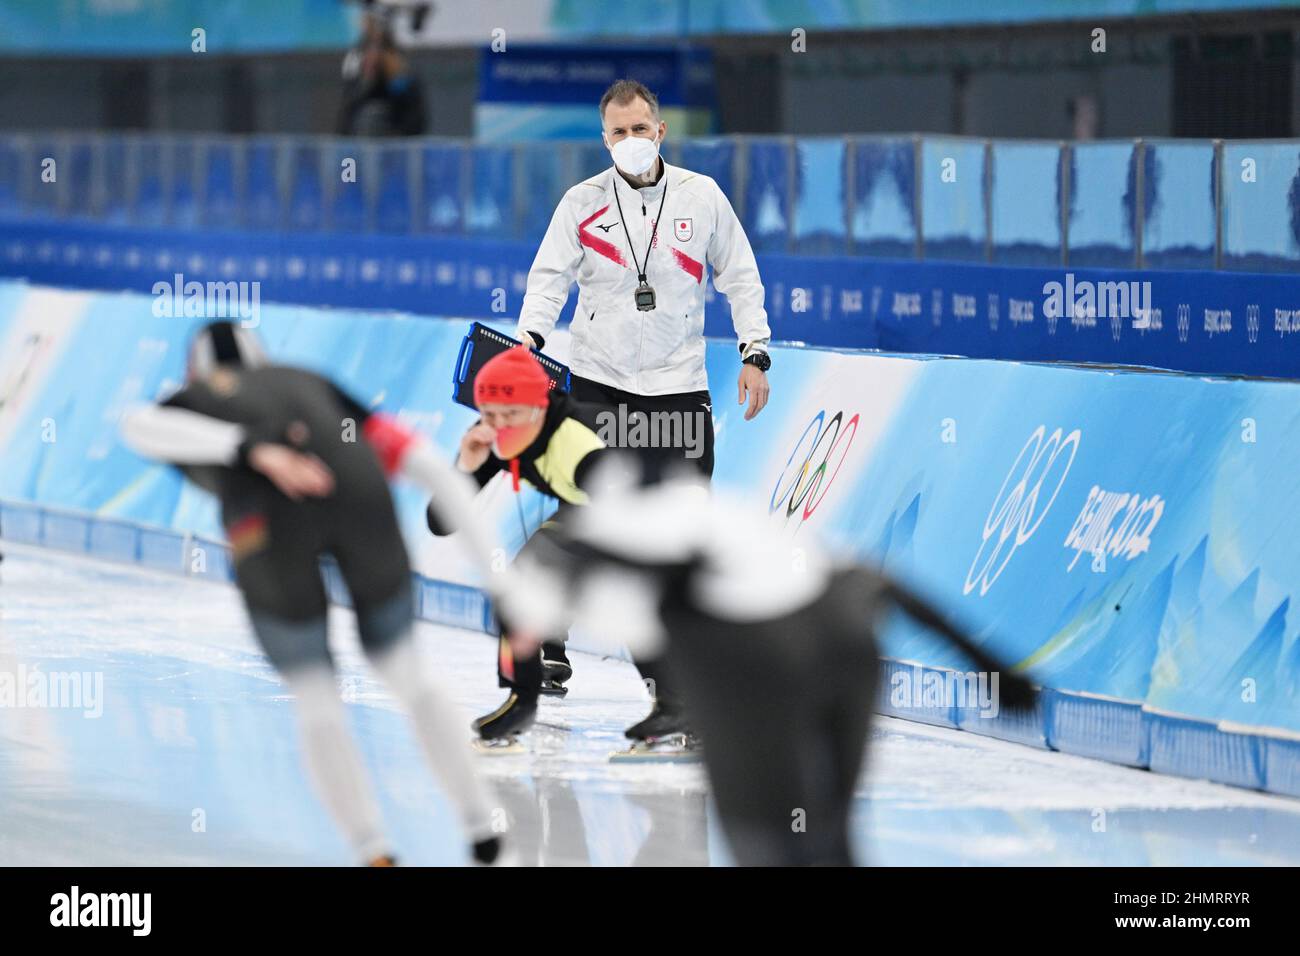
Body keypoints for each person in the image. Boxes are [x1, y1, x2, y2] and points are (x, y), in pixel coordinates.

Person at [120, 320, 508, 865]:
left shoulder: (195, 398)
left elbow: (138, 426)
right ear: (266, 361)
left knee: (316, 696)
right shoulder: (308, 381)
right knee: (408, 674)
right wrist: (500, 579)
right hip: (359, 497)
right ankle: (479, 826)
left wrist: (249, 448)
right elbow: (425, 465)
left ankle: (371, 848)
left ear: (194, 372)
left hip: (266, 525)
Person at [510, 478, 1040, 865]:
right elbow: (868, 579)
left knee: (770, 837)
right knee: (826, 835)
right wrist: (992, 667)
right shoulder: (702, 525)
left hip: (764, 654)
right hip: (845, 634)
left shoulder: (633, 561)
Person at [510, 78, 774, 735]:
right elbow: (548, 278)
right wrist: (529, 341)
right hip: (598, 382)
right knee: (587, 514)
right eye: (618, 132)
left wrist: (755, 350)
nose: (631, 141)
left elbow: (739, 273)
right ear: (605, 140)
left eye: (641, 128)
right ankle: (553, 630)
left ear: (661, 130)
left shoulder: (701, 196)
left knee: (677, 536)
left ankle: (696, 684)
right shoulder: (582, 202)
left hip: (678, 388)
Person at [429, 344, 672, 745]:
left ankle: (679, 707)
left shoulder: (577, 441)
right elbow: (440, 522)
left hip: (647, 508)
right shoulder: (506, 432)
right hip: (593, 508)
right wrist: (465, 467)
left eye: (510, 415)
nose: (501, 425)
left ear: (539, 409)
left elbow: (627, 517)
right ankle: (521, 702)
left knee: (624, 600)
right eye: (490, 415)